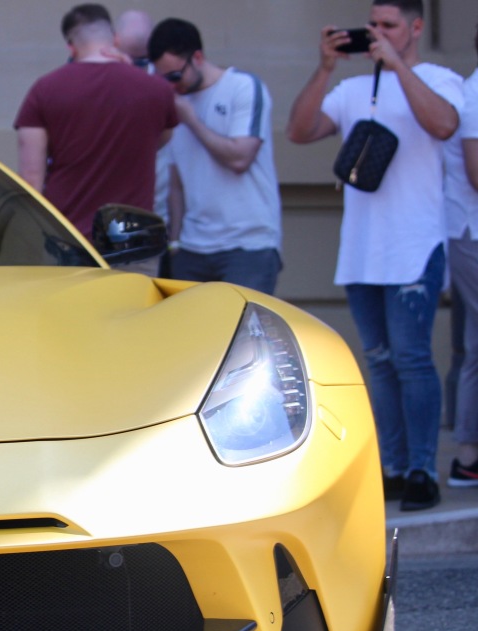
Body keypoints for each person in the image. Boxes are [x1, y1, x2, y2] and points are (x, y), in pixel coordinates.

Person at [286, 0, 462, 511]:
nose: (378, 33)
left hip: (415, 245)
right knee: (379, 363)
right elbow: (299, 131)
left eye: (389, 25)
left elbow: (444, 125)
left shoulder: (437, 79)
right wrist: (325, 67)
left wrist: (397, 65)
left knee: (412, 359)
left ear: (415, 27)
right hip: (362, 249)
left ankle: (422, 469)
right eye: (373, 26)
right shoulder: (352, 89)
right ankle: (394, 468)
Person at [14, 4, 177, 237]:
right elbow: (159, 139)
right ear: (116, 39)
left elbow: (31, 179)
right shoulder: (157, 90)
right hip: (133, 239)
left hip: (70, 238)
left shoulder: (45, 89)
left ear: (71, 47)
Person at [149, 18, 283, 295]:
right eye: (163, 80)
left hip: (248, 245)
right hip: (191, 248)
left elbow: (240, 158)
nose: (172, 86)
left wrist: (191, 120)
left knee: (238, 323)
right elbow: (176, 182)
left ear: (197, 58)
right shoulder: (175, 102)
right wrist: (175, 242)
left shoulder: (242, 87)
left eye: (175, 76)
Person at [444, 24, 478, 488]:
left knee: (473, 347)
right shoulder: (474, 95)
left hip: (466, 234)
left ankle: (469, 455)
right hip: (472, 234)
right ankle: (469, 454)